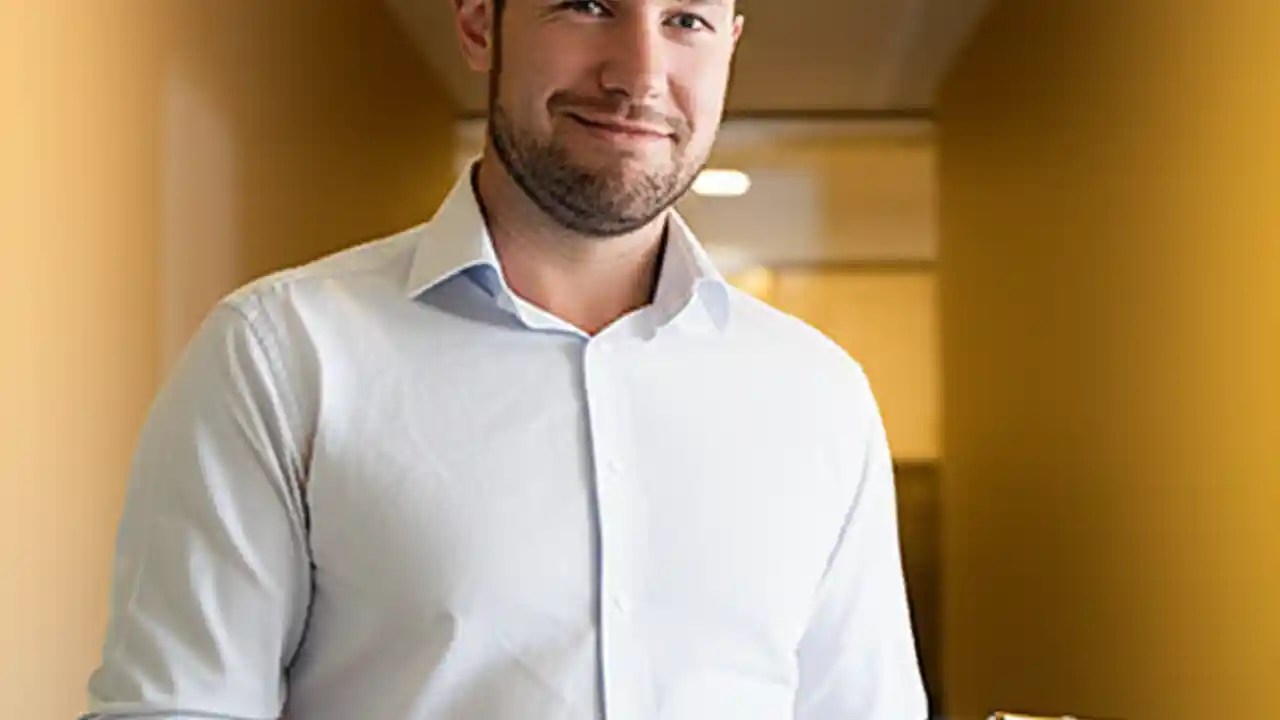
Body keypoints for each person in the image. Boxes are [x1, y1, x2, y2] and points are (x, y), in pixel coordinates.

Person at [82, 0, 927, 717]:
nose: (639, 73)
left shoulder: (819, 398)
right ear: (481, 23)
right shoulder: (281, 356)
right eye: (586, 4)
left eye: (685, 20)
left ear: (730, 45)